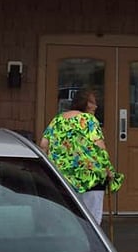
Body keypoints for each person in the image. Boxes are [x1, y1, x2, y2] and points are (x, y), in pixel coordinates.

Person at [40, 88, 124, 224]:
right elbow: (100, 147)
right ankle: (91, 243)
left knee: (69, 217)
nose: (95, 106)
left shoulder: (58, 120)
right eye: (92, 103)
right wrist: (109, 170)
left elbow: (43, 145)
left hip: (64, 177)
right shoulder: (89, 120)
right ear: (84, 103)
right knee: (92, 219)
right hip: (90, 176)